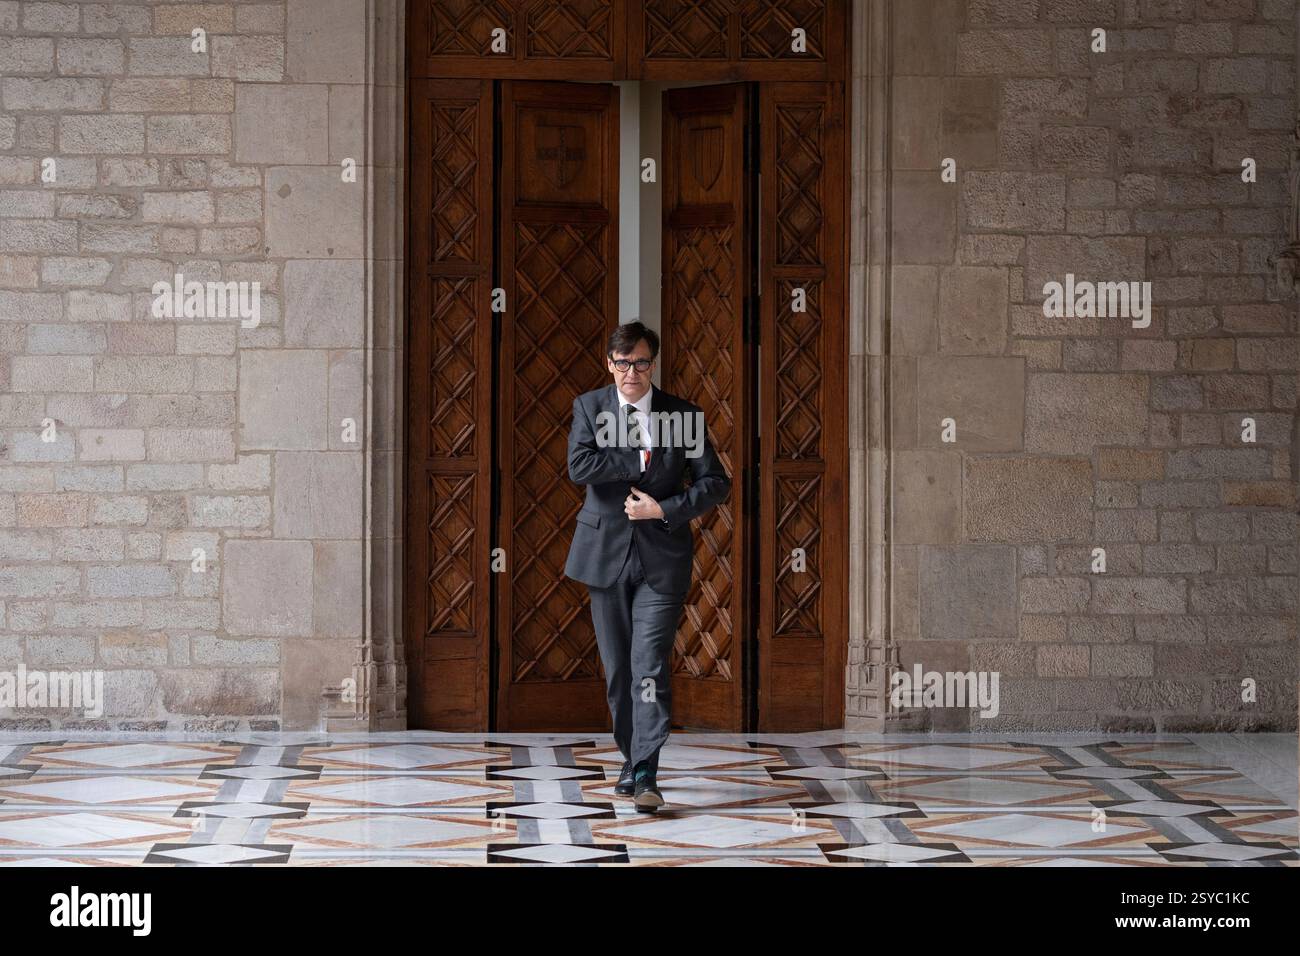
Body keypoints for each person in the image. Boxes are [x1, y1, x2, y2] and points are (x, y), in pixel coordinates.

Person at [564, 321, 731, 812]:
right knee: (618, 671)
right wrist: (633, 459)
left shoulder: (685, 415)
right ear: (609, 363)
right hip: (604, 558)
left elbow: (716, 483)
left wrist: (663, 508)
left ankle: (646, 771)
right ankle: (629, 755)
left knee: (648, 665)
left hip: (662, 558)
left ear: (651, 364)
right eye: (621, 363)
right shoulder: (590, 408)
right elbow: (579, 466)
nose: (629, 371)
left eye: (639, 362)